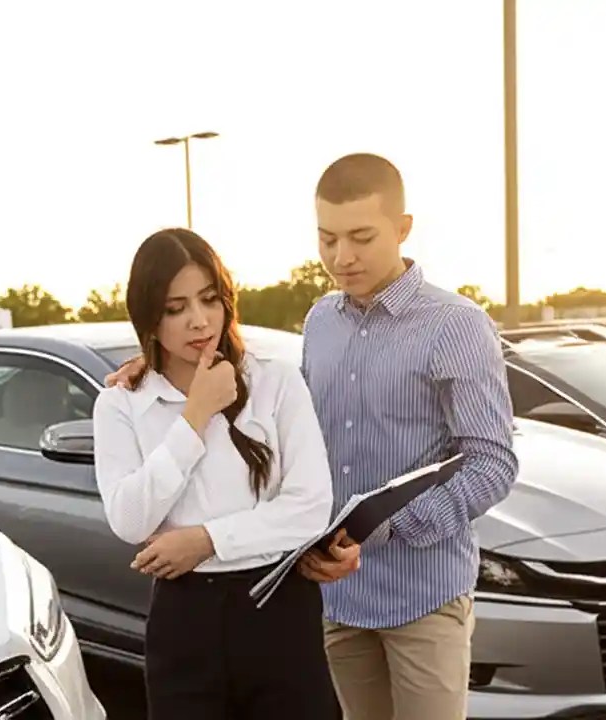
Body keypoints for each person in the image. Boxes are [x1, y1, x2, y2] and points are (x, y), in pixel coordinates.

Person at [108, 153, 519, 720]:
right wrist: (157, 365)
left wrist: (384, 527)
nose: (340, 257)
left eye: (361, 237)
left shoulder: (457, 326)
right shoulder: (321, 320)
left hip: (421, 589)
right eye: (326, 239)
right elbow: (282, 436)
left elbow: (492, 463)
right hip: (327, 593)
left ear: (402, 229)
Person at [92, 227, 340, 720]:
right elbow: (128, 519)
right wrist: (195, 416)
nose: (198, 321)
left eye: (209, 299)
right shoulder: (121, 403)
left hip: (280, 606)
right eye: (175, 307)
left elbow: (310, 507)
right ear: (148, 316)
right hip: (186, 622)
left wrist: (206, 540)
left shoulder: (276, 381)